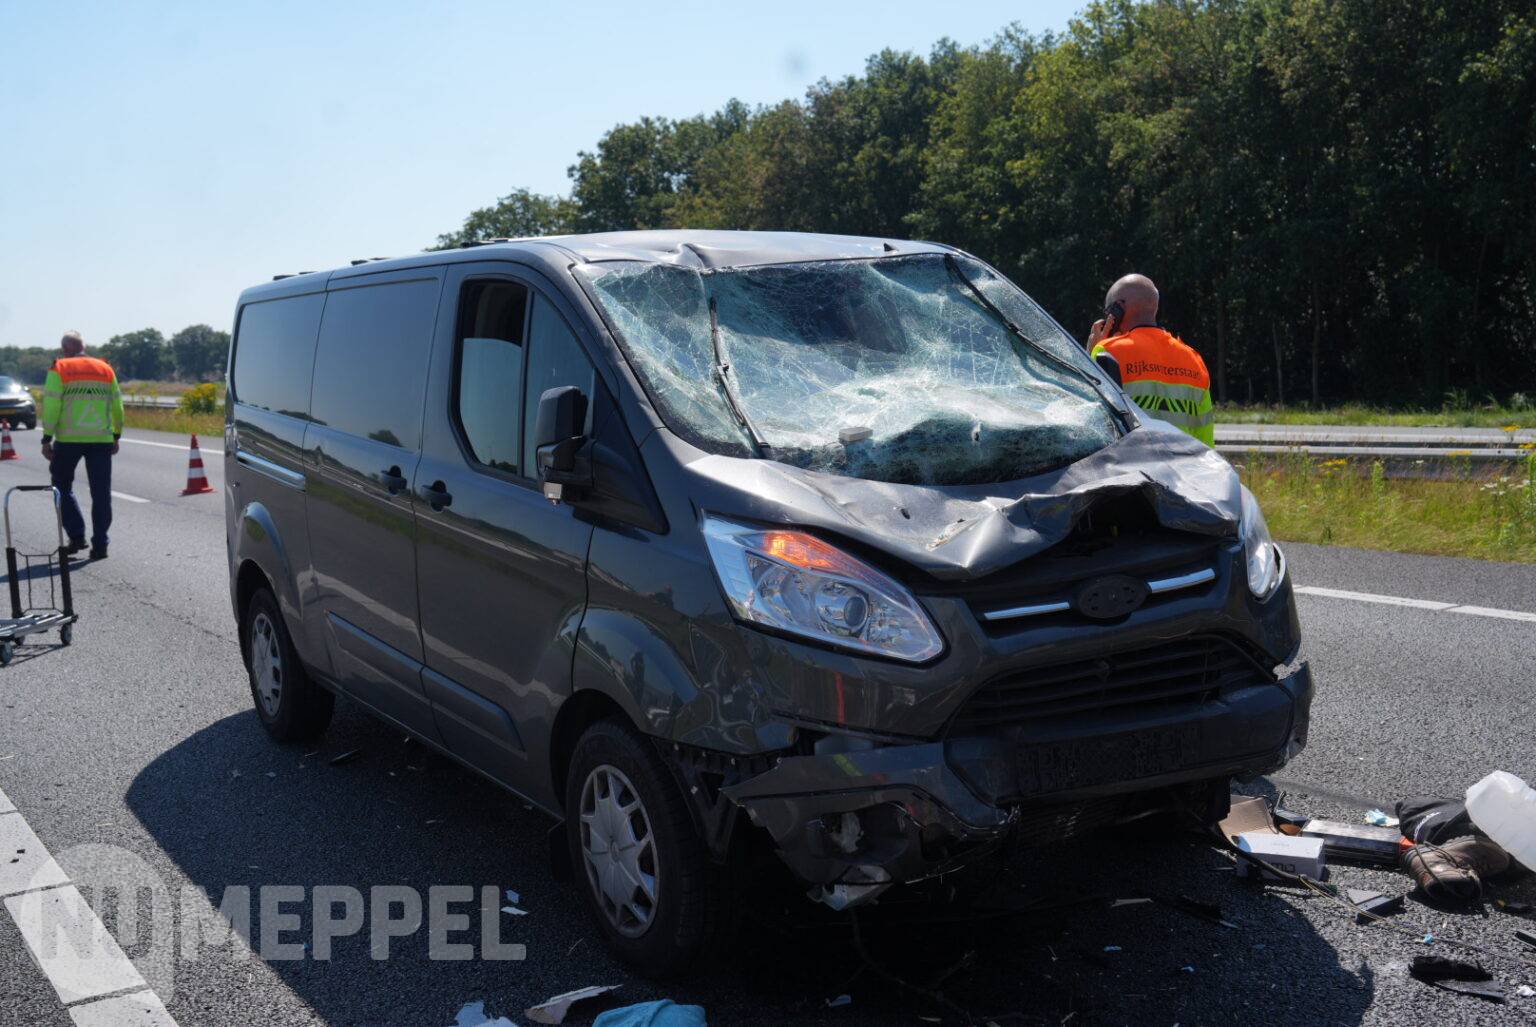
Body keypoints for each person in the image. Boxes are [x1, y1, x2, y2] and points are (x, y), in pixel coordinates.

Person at [1087, 274, 1214, 446]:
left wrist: (1088, 356)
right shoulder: (1194, 359)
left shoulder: (1107, 352)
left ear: (1118, 308)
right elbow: (1205, 439)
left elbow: (1088, 418)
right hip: (1182, 469)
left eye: (1108, 311)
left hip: (1132, 467)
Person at [40, 331, 124, 559]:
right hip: (100, 441)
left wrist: (47, 438)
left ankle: (77, 536)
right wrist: (116, 434)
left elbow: (51, 407)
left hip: (68, 441)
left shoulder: (60, 368)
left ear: (66, 349)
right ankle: (101, 545)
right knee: (101, 493)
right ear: (83, 347)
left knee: (61, 486)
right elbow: (117, 406)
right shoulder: (105, 368)